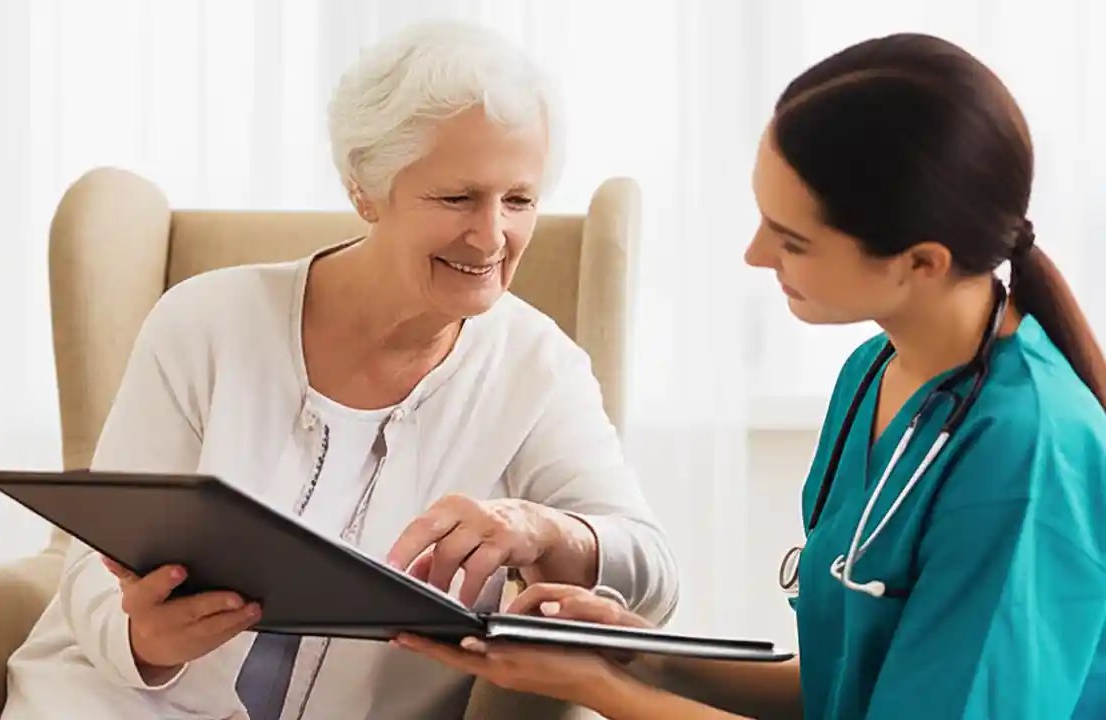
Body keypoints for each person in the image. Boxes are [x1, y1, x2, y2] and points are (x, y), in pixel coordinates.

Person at [398, 32, 1106, 719]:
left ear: (922, 262)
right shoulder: (875, 374)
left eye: (792, 239)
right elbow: (840, 689)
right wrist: (633, 651)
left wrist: (608, 692)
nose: (755, 254)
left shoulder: (1027, 453)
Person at [0, 20, 679, 720]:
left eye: (519, 199)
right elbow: (92, 562)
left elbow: (653, 577)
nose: (491, 235)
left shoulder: (539, 369)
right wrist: (144, 638)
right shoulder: (206, 321)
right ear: (364, 190)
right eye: (456, 198)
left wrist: (545, 530)